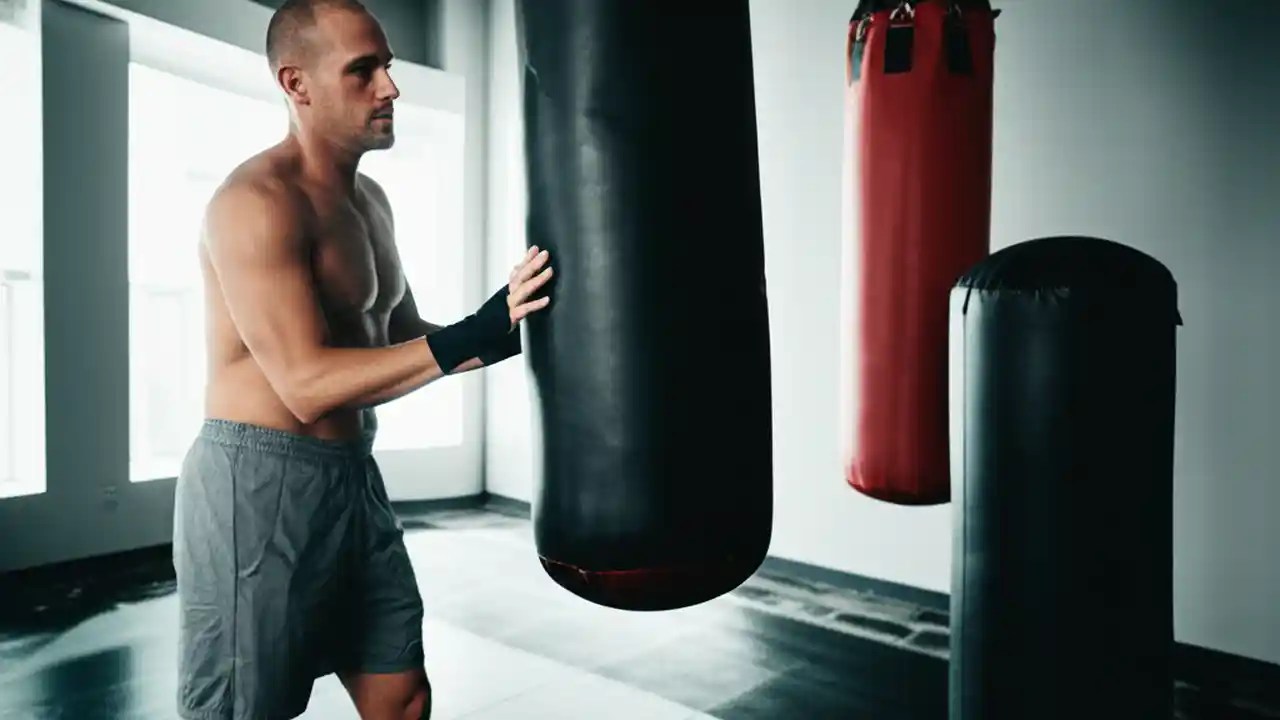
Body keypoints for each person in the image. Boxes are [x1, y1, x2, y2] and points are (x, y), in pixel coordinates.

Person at [171, 1, 552, 719]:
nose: (390, 87)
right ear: (297, 83)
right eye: (363, 71)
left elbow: (399, 339)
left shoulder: (369, 201)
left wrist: (523, 324)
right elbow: (307, 384)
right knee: (246, 709)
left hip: (352, 481)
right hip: (257, 486)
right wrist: (469, 333)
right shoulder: (256, 202)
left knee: (399, 695)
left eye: (388, 66)